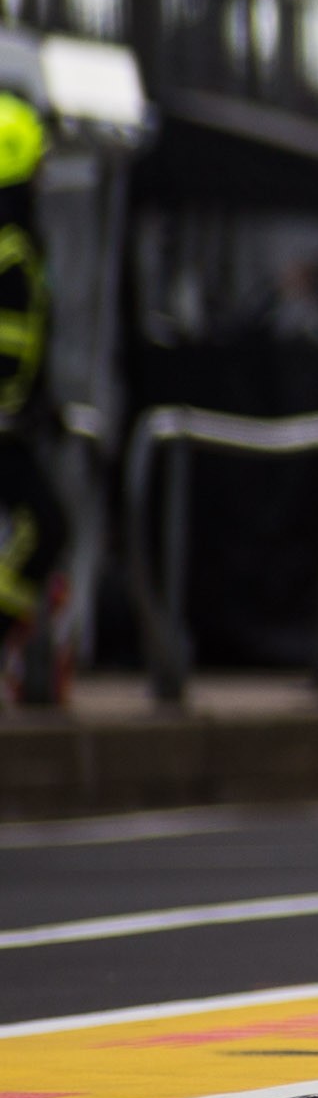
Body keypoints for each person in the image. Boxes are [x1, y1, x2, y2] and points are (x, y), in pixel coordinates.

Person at [0, 84, 64, 703]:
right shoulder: (11, 246)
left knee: (46, 524)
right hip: (6, 426)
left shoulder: (18, 244)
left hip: (16, 422)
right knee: (46, 524)